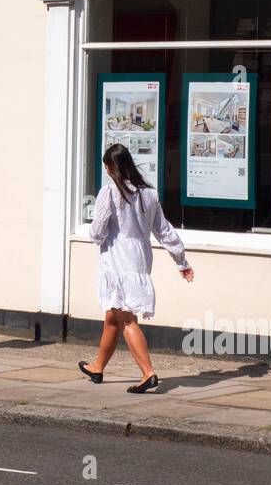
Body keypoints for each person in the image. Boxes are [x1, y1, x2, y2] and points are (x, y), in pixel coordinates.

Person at [79, 143, 194, 393]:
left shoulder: (109, 193)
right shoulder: (149, 195)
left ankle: (148, 373)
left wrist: (95, 234)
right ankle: (98, 366)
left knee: (127, 319)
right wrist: (181, 261)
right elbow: (164, 230)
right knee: (113, 315)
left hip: (116, 262)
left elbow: (97, 233)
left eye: (106, 166)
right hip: (139, 261)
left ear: (110, 168)